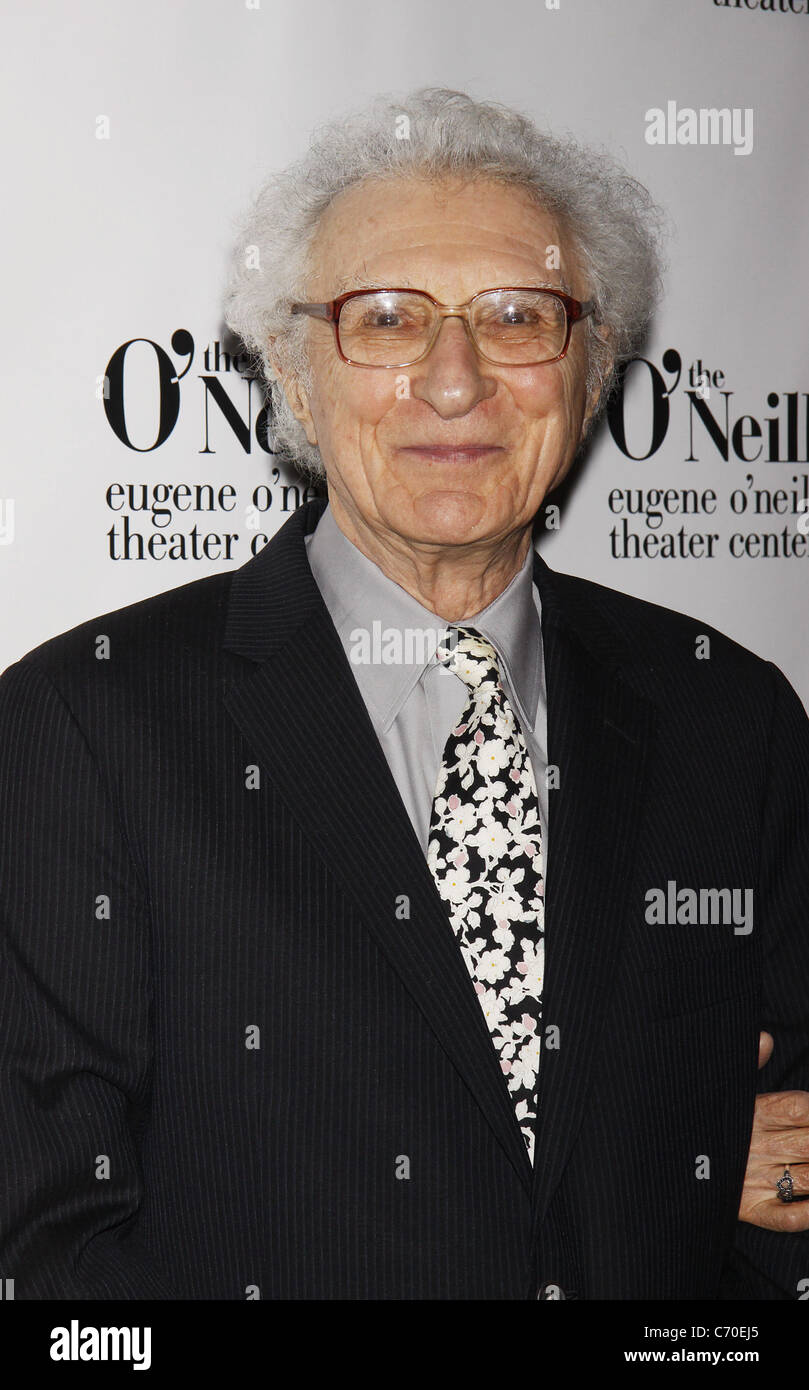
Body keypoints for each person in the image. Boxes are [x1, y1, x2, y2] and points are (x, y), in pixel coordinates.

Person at [1, 88, 807, 1301]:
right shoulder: (86, 725)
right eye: (384, 319)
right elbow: (49, 1255)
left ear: (590, 370)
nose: (454, 378)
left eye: (517, 317)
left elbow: (783, 1188)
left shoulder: (729, 717)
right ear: (293, 374)